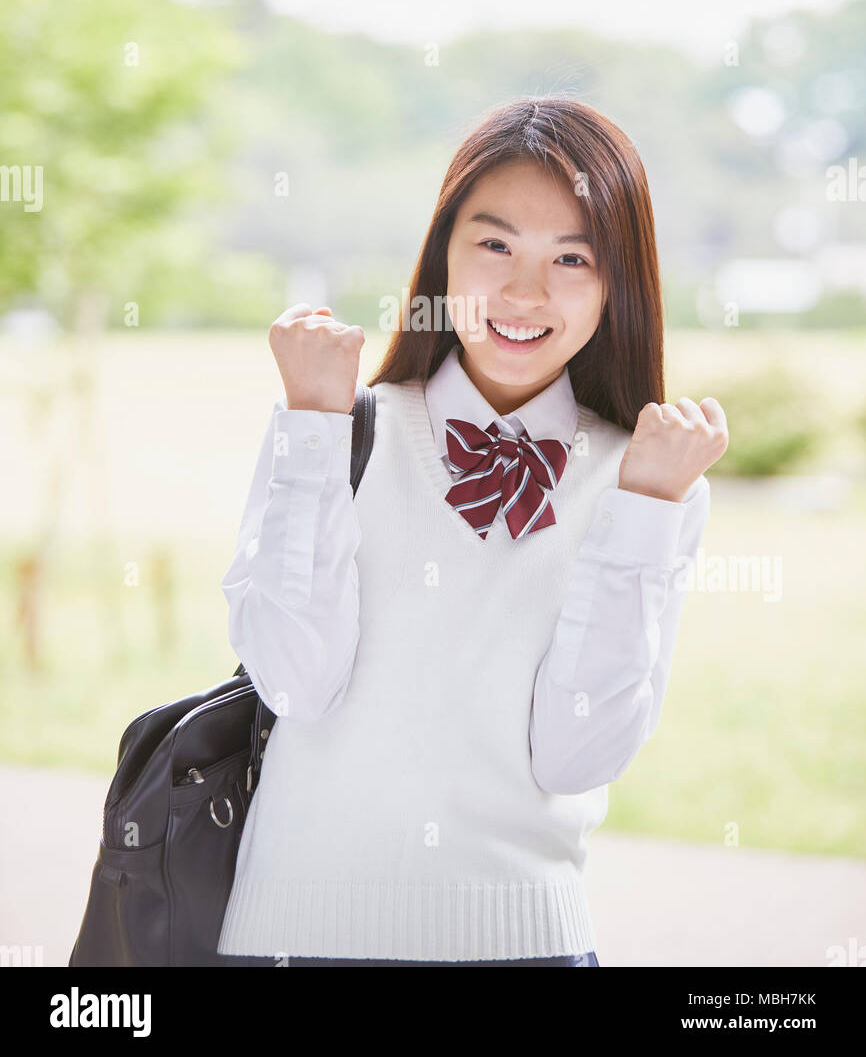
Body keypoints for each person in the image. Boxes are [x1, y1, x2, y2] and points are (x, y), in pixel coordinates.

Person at [216, 96, 728, 967]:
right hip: (293, 942)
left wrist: (640, 515)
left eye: (573, 257)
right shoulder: (335, 428)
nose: (525, 293)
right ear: (443, 253)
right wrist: (312, 427)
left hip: (528, 948)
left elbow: (577, 756)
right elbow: (295, 683)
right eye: (494, 246)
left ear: (620, 283)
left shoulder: (645, 478)